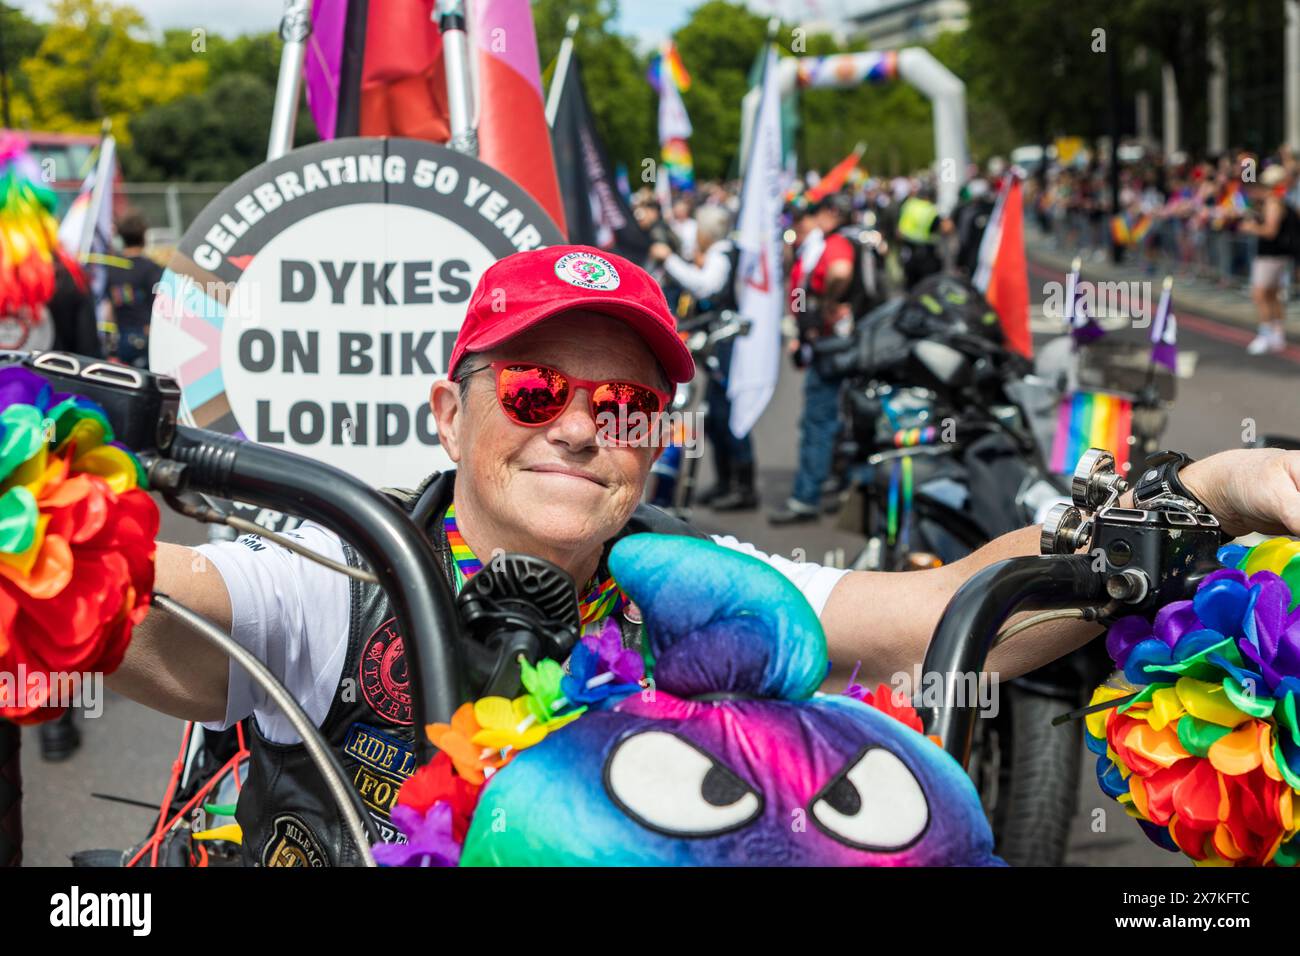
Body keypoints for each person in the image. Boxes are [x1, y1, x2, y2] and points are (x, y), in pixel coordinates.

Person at [108, 244, 1300, 866]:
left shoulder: (708, 589)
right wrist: (57, 523)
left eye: (625, 407)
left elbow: (954, 607)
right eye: (535, 390)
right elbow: (141, 613)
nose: (581, 426)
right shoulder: (332, 569)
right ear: (447, 411)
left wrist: (1219, 488)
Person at [649, 205, 757, 511]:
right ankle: (726, 482)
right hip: (720, 344)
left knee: (727, 413)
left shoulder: (721, 257)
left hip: (727, 345)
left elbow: (703, 285)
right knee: (715, 415)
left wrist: (668, 259)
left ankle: (743, 487)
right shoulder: (722, 254)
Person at [769, 194, 856, 525]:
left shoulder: (832, 242)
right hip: (834, 341)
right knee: (838, 415)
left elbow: (840, 271)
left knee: (818, 420)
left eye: (809, 216)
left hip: (833, 343)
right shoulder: (821, 242)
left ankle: (807, 497)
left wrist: (825, 305)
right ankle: (841, 483)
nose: (803, 223)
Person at [1241, 164, 1297, 355]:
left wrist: (1251, 228)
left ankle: (1266, 335)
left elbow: (1270, 231)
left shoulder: (1273, 202)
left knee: (1261, 295)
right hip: (1277, 256)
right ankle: (1276, 334)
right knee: (1273, 295)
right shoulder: (1280, 202)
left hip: (1270, 256)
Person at [103, 213, 164, 368]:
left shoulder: (112, 269)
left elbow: (108, 309)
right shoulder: (152, 269)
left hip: (121, 338)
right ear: (144, 236)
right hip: (147, 337)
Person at [895, 182, 945, 290]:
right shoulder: (931, 210)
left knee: (910, 284)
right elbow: (943, 229)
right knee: (927, 286)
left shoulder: (909, 204)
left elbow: (899, 230)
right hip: (926, 253)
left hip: (908, 250)